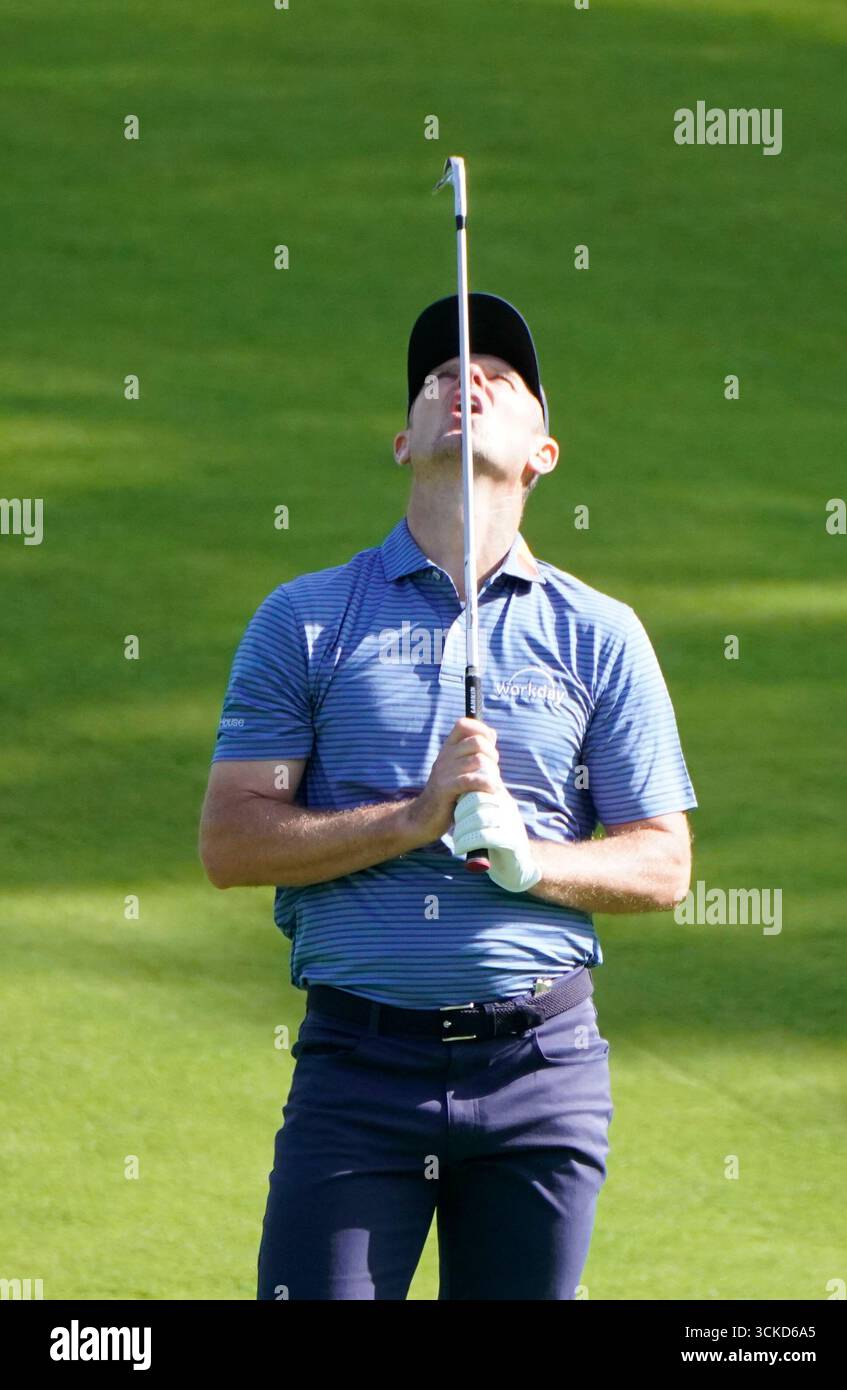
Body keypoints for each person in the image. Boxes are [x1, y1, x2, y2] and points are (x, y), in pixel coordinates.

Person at [198, 292, 698, 1300]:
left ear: (542, 454)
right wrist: (413, 819)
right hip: (357, 1067)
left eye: (499, 380)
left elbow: (662, 859)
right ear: (402, 441)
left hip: (540, 1073)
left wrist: (533, 860)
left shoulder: (599, 634)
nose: (462, 381)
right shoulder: (303, 621)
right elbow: (232, 842)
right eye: (436, 379)